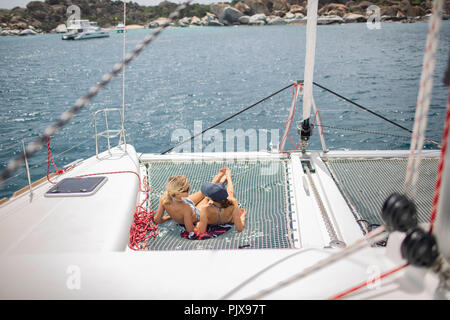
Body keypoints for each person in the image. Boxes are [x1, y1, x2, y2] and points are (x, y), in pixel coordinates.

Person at [154, 168, 227, 233]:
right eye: (187, 189)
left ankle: (218, 177)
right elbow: (190, 229)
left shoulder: (164, 197)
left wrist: (170, 217)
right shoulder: (186, 208)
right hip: (195, 213)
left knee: (202, 192)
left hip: (181, 201)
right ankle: (220, 183)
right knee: (206, 198)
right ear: (177, 193)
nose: (189, 189)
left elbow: (157, 220)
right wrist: (199, 227)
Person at [196, 168, 247, 234]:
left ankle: (220, 182)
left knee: (205, 199)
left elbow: (201, 231)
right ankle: (228, 178)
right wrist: (242, 217)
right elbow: (239, 229)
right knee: (230, 195)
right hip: (227, 220)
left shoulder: (205, 209)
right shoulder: (233, 202)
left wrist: (198, 224)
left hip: (211, 221)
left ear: (211, 198)